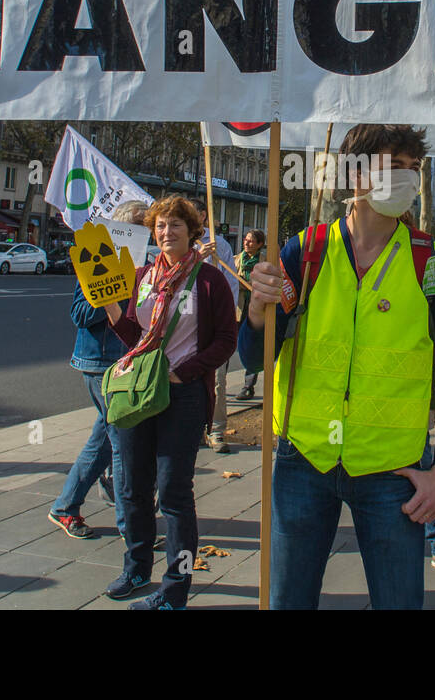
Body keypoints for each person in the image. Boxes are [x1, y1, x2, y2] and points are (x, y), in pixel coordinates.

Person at [238, 123, 435, 609]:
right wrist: (257, 312)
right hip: (303, 459)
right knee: (287, 600)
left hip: (394, 470)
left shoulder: (431, 262)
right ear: (357, 174)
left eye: (413, 168)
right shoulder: (305, 251)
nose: (406, 179)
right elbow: (251, 356)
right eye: (394, 165)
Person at [100, 196, 237, 609]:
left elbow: (226, 340)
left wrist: (184, 372)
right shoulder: (142, 275)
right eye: (159, 225)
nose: (166, 232)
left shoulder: (210, 280)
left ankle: (176, 588)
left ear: (192, 230)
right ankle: (137, 565)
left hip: (182, 393)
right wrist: (109, 305)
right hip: (138, 391)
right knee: (132, 487)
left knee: (174, 492)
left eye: (175, 224)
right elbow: (133, 334)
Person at [47, 220, 131, 540]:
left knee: (104, 442)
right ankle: (130, 525)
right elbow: (79, 314)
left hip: (123, 365)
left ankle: (65, 507)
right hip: (99, 364)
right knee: (122, 443)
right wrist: (110, 293)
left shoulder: (137, 268)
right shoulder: (98, 263)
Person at [188, 198, 239, 454]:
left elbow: (230, 283)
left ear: (203, 216)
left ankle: (216, 430)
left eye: (192, 213)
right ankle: (195, 429)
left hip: (213, 324)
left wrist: (226, 318)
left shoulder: (219, 245)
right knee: (189, 379)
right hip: (186, 327)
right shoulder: (181, 243)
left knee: (218, 380)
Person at [234, 228, 266, 400]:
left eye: (251, 241)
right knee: (230, 344)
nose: (246, 243)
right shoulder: (234, 261)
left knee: (252, 345)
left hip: (255, 309)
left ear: (260, 244)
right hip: (238, 308)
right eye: (245, 240)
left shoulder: (265, 262)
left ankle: (248, 386)